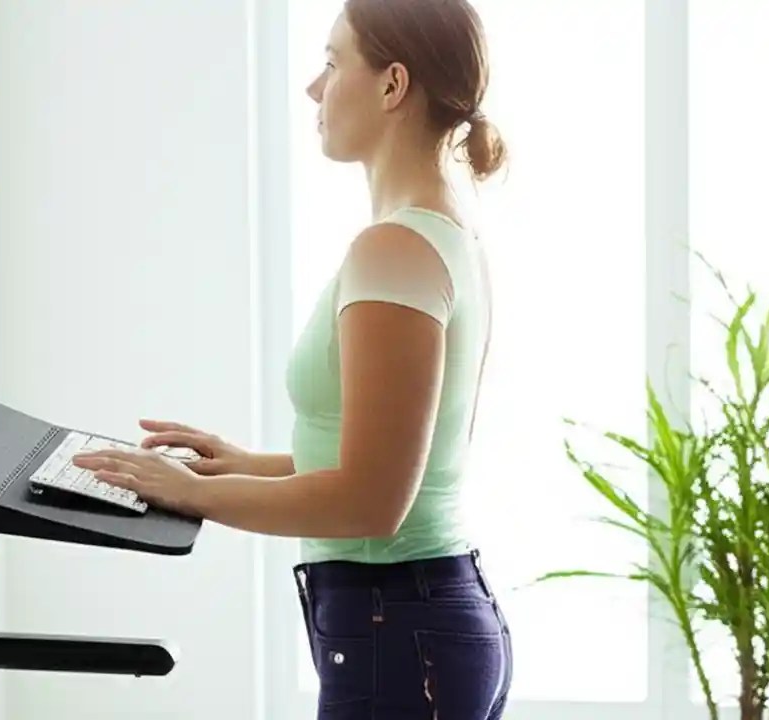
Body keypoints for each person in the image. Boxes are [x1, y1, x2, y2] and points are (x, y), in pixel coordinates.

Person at [71, 0, 512, 716]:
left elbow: (373, 501)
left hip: (399, 628)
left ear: (393, 85)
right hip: (425, 621)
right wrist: (242, 463)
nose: (314, 88)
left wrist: (187, 493)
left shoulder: (395, 250)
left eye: (334, 63)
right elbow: (398, 465)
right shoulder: (446, 235)